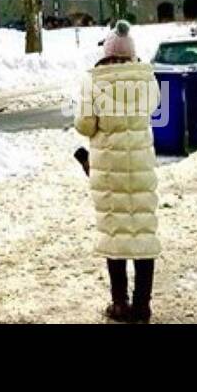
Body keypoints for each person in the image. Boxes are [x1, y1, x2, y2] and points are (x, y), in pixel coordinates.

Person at [74, 19, 161, 323]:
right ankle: (143, 306)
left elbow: (85, 125)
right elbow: (153, 108)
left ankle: (120, 303)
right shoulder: (147, 79)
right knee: (143, 234)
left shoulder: (94, 81)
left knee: (116, 235)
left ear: (107, 52)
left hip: (108, 171)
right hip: (140, 169)